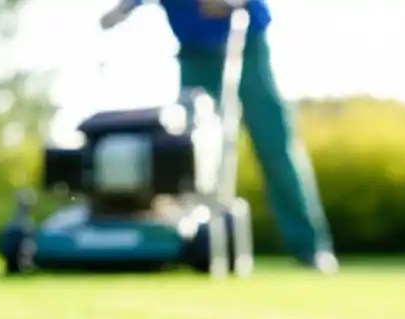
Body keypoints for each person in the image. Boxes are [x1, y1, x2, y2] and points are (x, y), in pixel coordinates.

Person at [101, 0, 339, 273]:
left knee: (275, 147)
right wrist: (121, 11)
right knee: (190, 155)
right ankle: (191, 242)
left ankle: (310, 247)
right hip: (194, 52)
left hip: (244, 42)